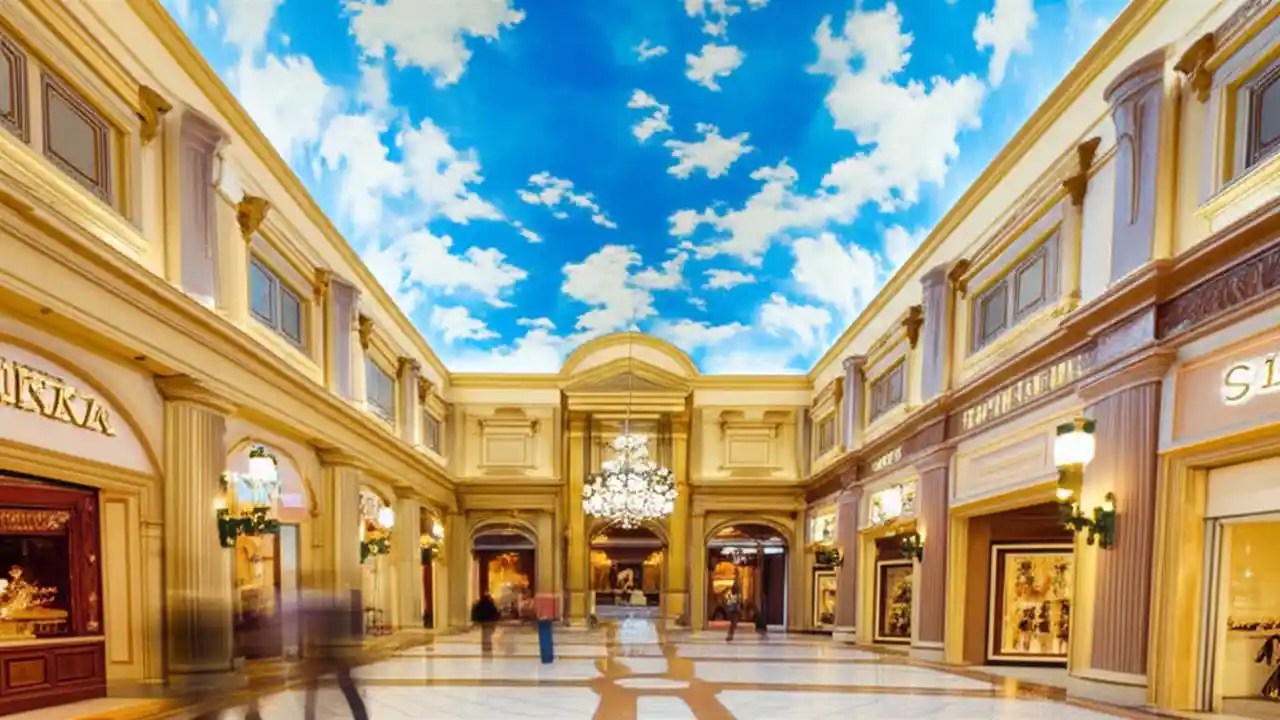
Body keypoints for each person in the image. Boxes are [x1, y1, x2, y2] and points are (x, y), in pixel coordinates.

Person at [301, 588, 368, 720]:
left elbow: (315, 636)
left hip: (330, 652)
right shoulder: (330, 612)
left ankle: (309, 717)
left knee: (315, 686)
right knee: (344, 685)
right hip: (333, 652)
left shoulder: (318, 614)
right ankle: (361, 717)